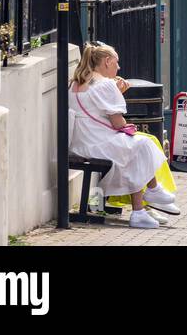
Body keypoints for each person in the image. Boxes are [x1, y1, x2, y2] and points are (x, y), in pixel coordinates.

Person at [69, 43, 177, 229]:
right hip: (97, 144)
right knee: (143, 145)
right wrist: (118, 96)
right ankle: (151, 192)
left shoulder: (75, 84)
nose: (118, 68)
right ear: (107, 61)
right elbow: (118, 123)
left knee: (136, 148)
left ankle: (140, 210)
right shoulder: (106, 84)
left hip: (81, 143)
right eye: (116, 62)